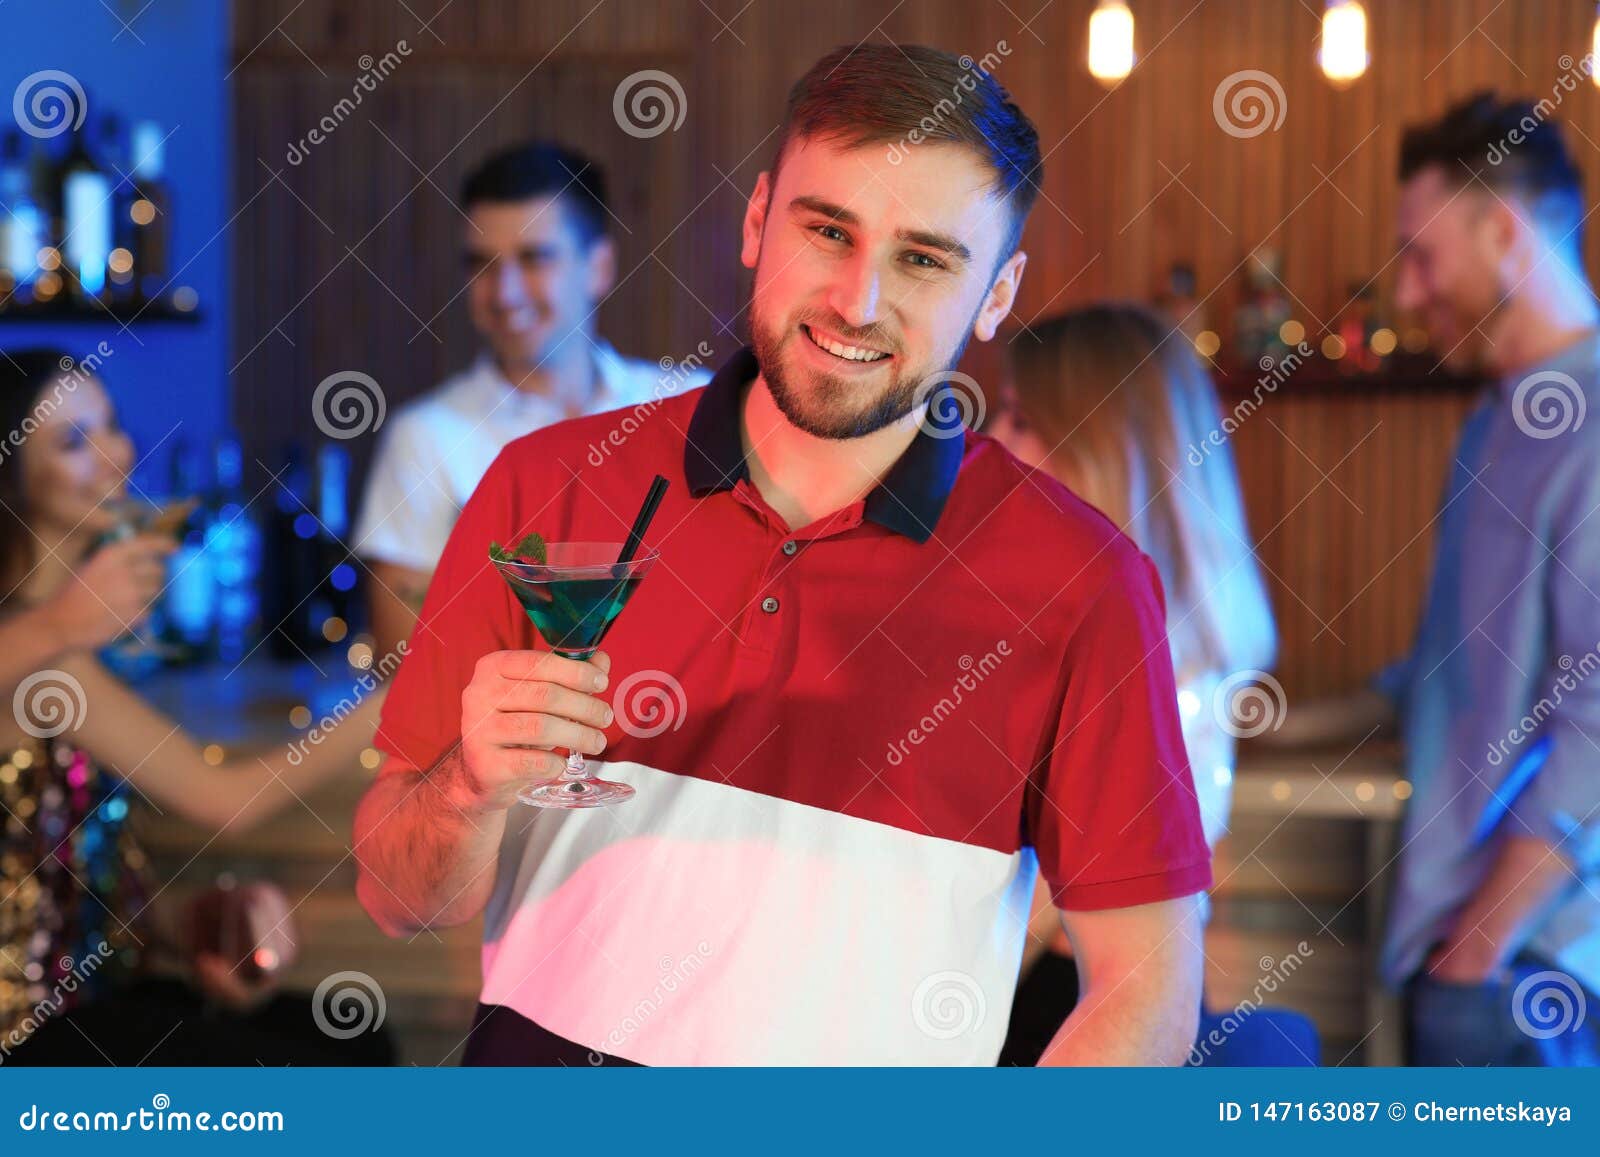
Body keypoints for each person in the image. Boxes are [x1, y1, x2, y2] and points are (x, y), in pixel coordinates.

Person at [355, 44, 1212, 1067]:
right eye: (827, 230)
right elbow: (398, 898)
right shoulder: (542, 488)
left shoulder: (1084, 582)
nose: (856, 300)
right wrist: (466, 786)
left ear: (996, 292)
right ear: (760, 222)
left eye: (924, 259)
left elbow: (1147, 986)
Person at [1268, 93, 1600, 1066]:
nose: (1408, 293)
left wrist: (1479, 945)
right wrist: (1277, 720)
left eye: (1421, 255)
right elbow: (1448, 672)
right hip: (1472, 959)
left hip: (1528, 974)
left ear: (1502, 231)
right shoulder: (1495, 422)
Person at [0, 350, 385, 1057]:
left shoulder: (71, 638)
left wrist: (204, 923)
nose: (114, 452)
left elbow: (74, 874)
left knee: (350, 1042)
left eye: (110, 424)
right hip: (31, 1037)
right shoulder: (36, 650)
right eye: (72, 441)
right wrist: (391, 701)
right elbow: (223, 800)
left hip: (102, 997)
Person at [986, 304, 1285, 1065]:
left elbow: (1042, 913)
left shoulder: (1152, 660)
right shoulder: (1162, 630)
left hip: (1068, 1021)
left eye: (1021, 419)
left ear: (1107, 450)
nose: (989, 442)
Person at [354, 141, 709, 659]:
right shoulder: (427, 438)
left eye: (534, 258)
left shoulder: (689, 403)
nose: (504, 293)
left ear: (599, 266)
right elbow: (406, 660)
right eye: (482, 265)